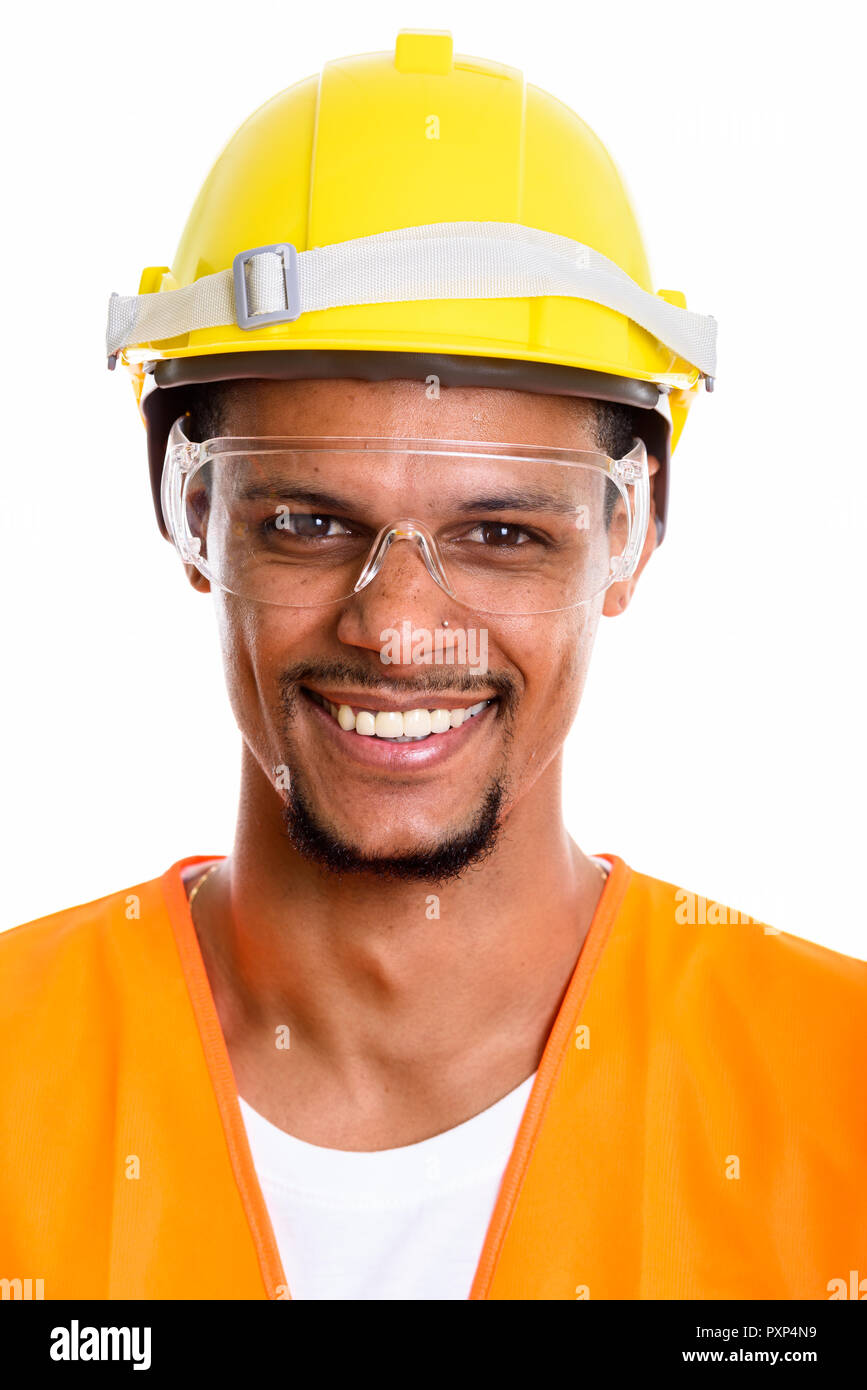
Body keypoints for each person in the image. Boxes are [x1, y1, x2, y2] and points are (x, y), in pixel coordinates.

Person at [1, 29, 864, 1302]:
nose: (399, 628)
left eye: (503, 533)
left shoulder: (835, 1096)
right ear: (189, 516)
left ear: (632, 535)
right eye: (306, 521)